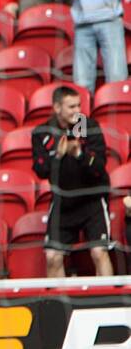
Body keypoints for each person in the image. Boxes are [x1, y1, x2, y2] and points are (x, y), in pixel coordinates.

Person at [32, 85, 113, 278]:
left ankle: (107, 303)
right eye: (71, 107)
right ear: (57, 108)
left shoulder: (87, 126)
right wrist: (57, 156)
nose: (77, 111)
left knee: (99, 252)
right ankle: (57, 307)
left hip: (91, 198)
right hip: (63, 202)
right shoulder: (42, 133)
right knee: (52, 257)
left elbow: (99, 167)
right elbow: (41, 171)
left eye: (79, 105)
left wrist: (78, 154)